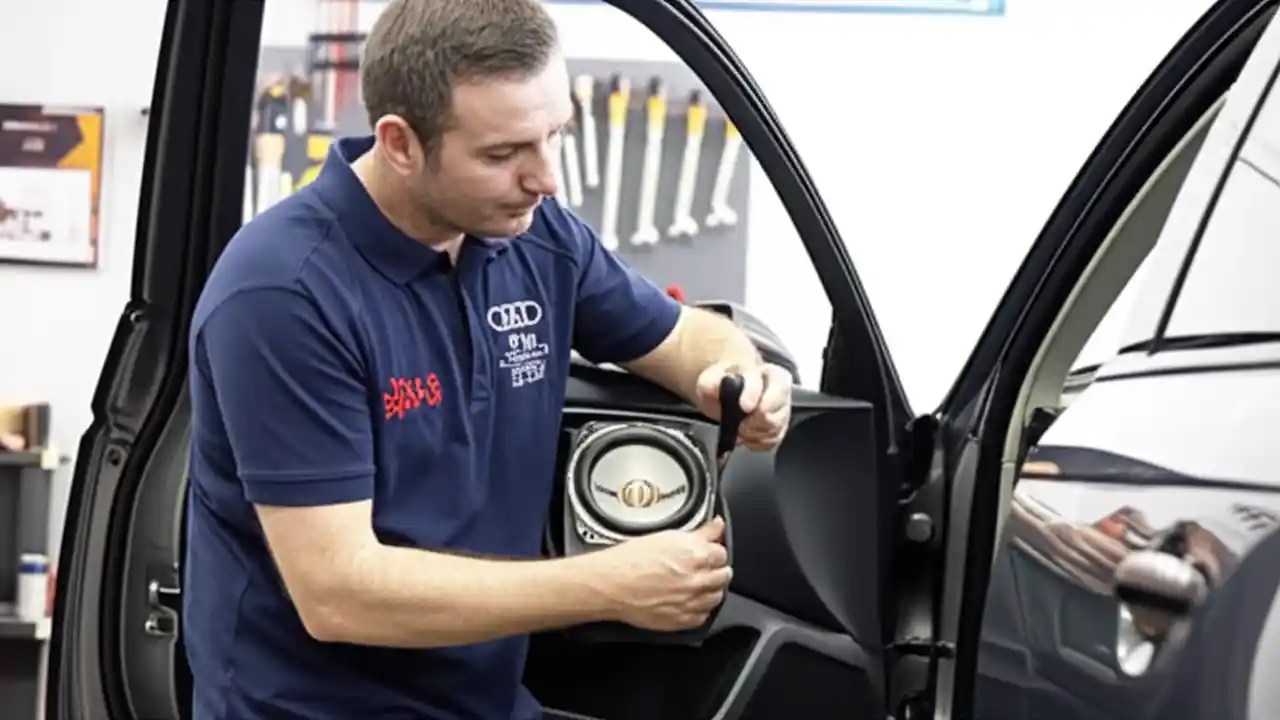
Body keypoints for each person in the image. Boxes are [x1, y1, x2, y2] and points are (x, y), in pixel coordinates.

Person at [181, 0, 794, 718]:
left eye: (556, 135)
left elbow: (685, 339)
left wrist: (740, 374)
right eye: (504, 155)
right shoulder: (284, 293)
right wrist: (609, 584)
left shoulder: (536, 238)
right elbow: (339, 592)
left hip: (486, 700)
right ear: (401, 143)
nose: (548, 178)